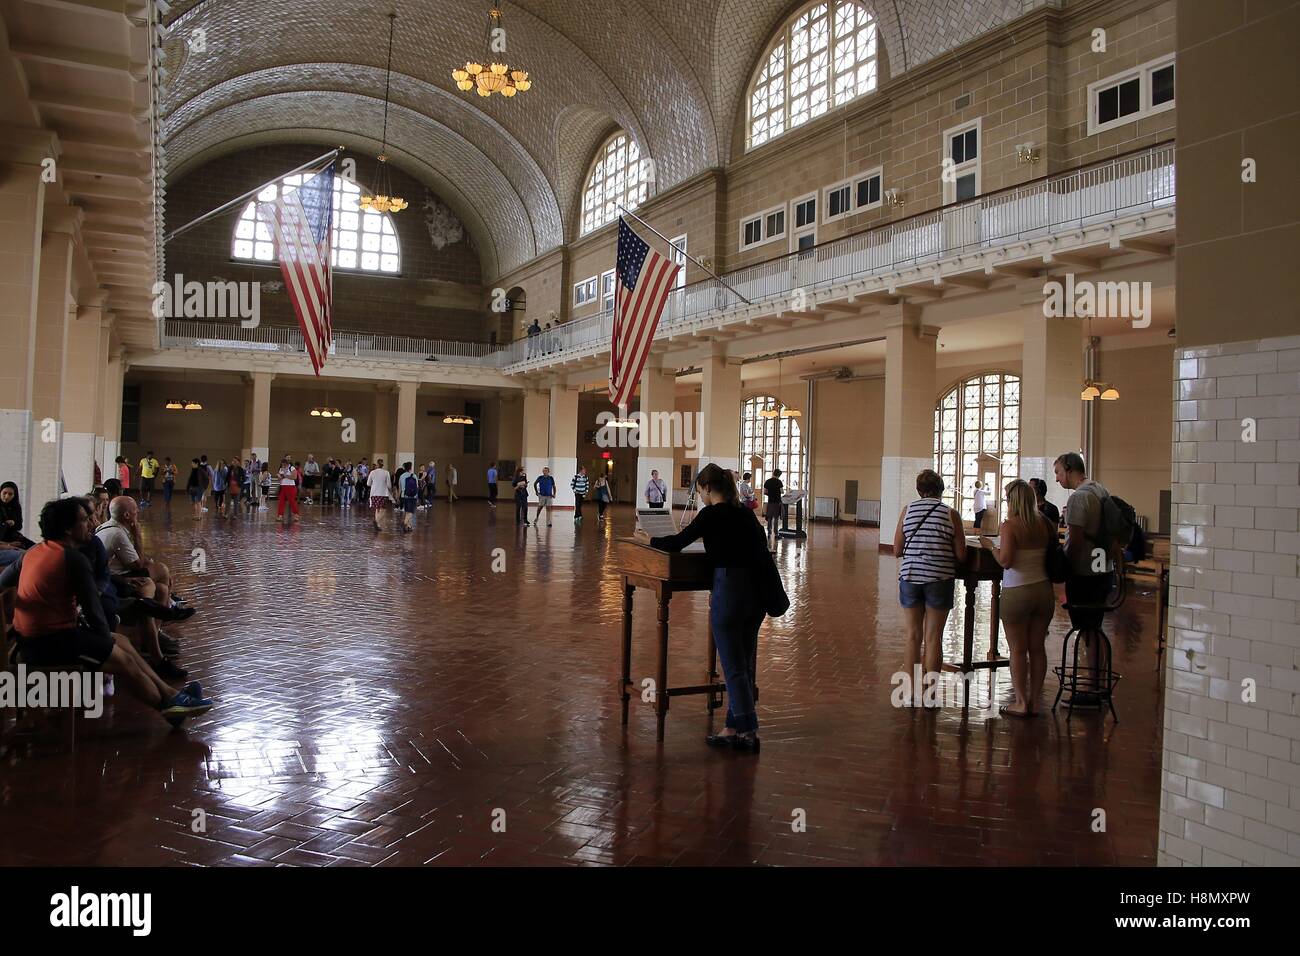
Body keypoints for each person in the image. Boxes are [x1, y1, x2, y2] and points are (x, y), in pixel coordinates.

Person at [0, 497, 213, 725]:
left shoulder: (33, 553)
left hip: (33, 638)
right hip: (49, 644)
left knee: (122, 640)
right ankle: (168, 709)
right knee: (124, 661)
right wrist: (105, 645)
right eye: (84, 520)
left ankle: (171, 695)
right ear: (68, 529)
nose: (91, 524)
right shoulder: (72, 559)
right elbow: (94, 611)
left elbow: (4, 580)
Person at [638, 464, 772, 753]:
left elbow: (677, 542)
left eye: (699, 491)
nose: (699, 497)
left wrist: (647, 539)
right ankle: (731, 727)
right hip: (756, 594)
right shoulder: (746, 514)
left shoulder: (711, 514)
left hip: (730, 589)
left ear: (708, 488)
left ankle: (749, 731)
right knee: (744, 664)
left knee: (733, 667)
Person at [981, 480, 1056, 718]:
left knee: (1017, 650)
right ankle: (1034, 699)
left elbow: (1006, 561)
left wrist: (989, 546)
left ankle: (1021, 702)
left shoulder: (1010, 526)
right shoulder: (1044, 523)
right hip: (1043, 590)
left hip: (1018, 591)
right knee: (1037, 648)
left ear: (1013, 501)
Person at [893, 469, 967, 700]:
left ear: (919, 490)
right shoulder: (950, 514)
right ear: (941, 490)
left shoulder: (908, 510)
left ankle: (911, 690)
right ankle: (930, 693)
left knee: (913, 635)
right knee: (934, 636)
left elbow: (896, 550)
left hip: (911, 576)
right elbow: (962, 555)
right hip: (939, 578)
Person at [367, 458, 392, 532]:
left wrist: (374, 483)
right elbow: (389, 485)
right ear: (383, 464)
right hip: (383, 493)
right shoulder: (386, 472)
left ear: (377, 464)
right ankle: (376, 521)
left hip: (374, 493)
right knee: (383, 509)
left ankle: (378, 525)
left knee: (377, 509)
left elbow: (368, 483)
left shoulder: (372, 472)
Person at [763, 469, 785, 545]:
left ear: (773, 473)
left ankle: (769, 532)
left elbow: (765, 492)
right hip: (777, 502)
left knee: (769, 517)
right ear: (779, 475)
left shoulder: (767, 481)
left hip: (770, 502)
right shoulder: (779, 482)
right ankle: (776, 534)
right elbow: (782, 491)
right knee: (776, 518)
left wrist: (770, 494)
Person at [276, 457, 300, 524]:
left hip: (290, 487)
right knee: (281, 501)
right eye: (282, 464)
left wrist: (285, 476)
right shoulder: (281, 469)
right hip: (283, 486)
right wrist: (279, 477)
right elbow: (280, 479)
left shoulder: (292, 468)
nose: (283, 466)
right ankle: (280, 515)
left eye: (284, 464)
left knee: (292, 501)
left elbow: (294, 477)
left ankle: (296, 515)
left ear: (287, 463)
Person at [399, 462, 419, 532]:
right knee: (411, 512)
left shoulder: (401, 476)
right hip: (412, 496)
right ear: (410, 468)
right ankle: (404, 523)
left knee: (407, 511)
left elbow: (400, 488)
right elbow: (417, 487)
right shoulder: (413, 475)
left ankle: (409, 526)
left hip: (404, 495)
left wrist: (399, 497)